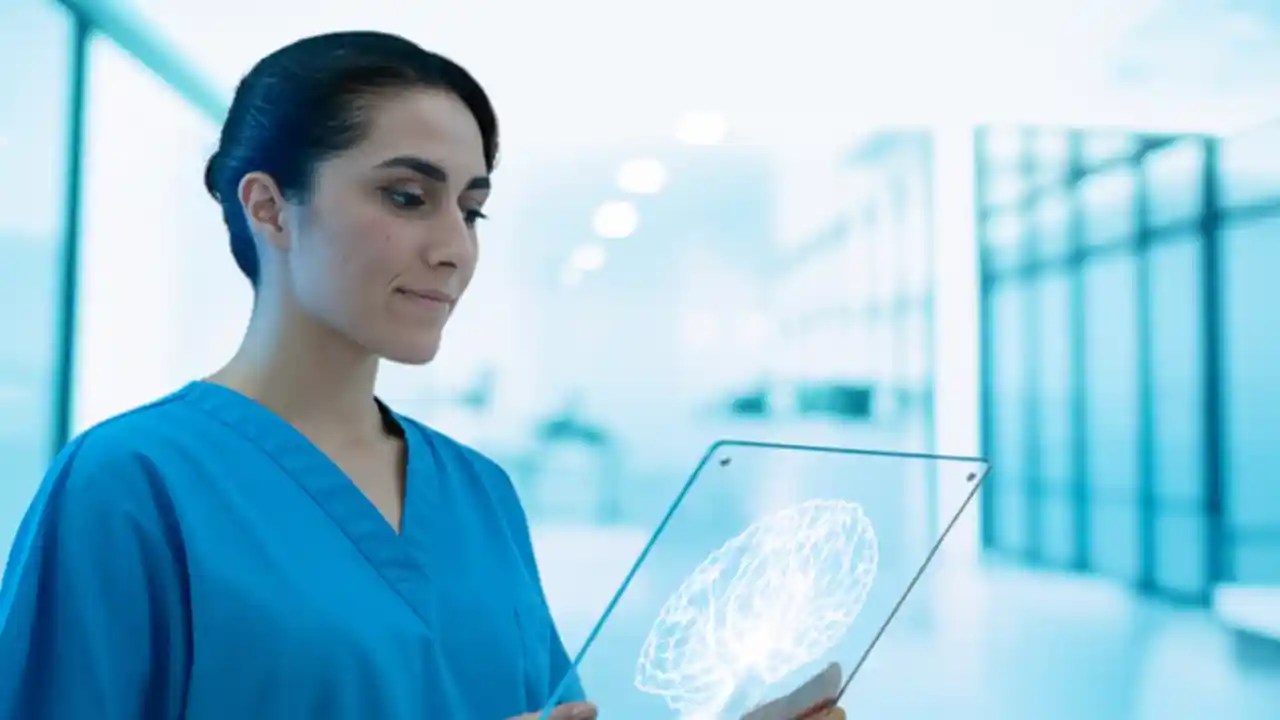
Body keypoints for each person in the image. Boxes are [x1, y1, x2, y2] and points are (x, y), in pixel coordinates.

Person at [0, 29, 846, 720]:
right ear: (268, 207)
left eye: (471, 209)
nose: (455, 247)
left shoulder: (479, 494)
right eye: (408, 197)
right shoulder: (129, 485)